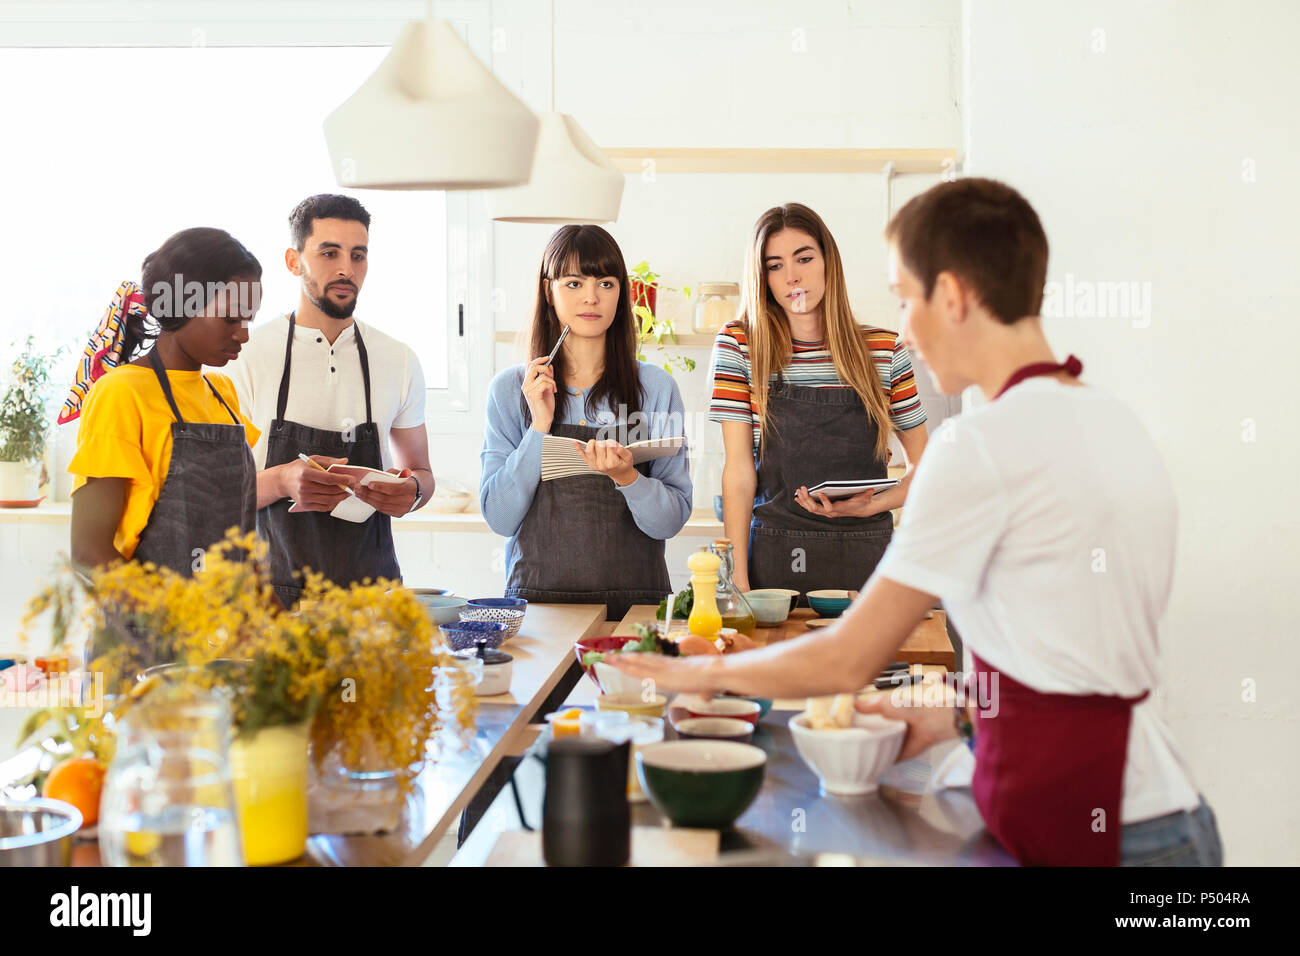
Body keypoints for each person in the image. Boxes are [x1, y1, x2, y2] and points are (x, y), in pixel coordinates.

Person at [611, 178, 1221, 867]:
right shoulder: (1117, 421)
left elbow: (848, 658)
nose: (900, 330)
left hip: (1091, 833)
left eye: (906, 299)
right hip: (1168, 818)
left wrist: (698, 673)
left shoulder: (978, 447)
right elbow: (1069, 655)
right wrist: (953, 712)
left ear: (954, 297)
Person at [709, 203, 928, 596]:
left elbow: (927, 469)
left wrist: (874, 504)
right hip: (776, 564)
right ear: (763, 279)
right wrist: (736, 577)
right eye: (774, 266)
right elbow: (740, 473)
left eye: (804, 258)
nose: (791, 276)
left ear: (829, 262)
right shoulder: (740, 345)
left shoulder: (884, 350)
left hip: (868, 563)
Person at [226, 195, 433, 606]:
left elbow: (424, 474)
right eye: (329, 253)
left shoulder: (398, 359)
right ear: (292, 261)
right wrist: (283, 479)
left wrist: (410, 492)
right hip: (271, 603)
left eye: (359, 255)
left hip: (373, 602)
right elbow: (219, 493)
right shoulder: (246, 356)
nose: (346, 269)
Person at [479, 225, 692, 621]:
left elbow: (671, 521)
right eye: (574, 283)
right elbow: (500, 518)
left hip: (636, 612)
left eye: (605, 283)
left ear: (621, 293)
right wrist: (539, 425)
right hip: (539, 613)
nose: (591, 297)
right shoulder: (511, 390)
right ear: (549, 290)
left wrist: (629, 478)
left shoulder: (657, 388)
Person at [68, 227, 261, 578]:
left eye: (249, 318)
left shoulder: (223, 392)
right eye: (231, 318)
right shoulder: (121, 393)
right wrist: (170, 618)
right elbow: (88, 551)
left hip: (224, 628)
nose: (244, 333)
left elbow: (241, 547)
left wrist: (280, 621)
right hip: (148, 629)